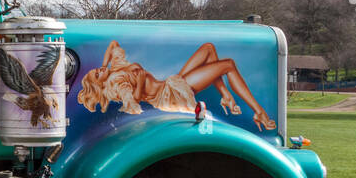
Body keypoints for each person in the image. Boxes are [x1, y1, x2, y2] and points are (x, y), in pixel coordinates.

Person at [77, 39, 277, 131]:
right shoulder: (115, 83)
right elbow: (134, 102)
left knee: (208, 48)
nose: (99, 70)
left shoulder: (116, 69)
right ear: (98, 83)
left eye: (98, 69)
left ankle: (225, 94)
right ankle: (259, 112)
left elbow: (112, 44)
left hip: (171, 83)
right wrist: (138, 81)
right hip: (169, 95)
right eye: (97, 73)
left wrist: (105, 66)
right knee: (228, 65)